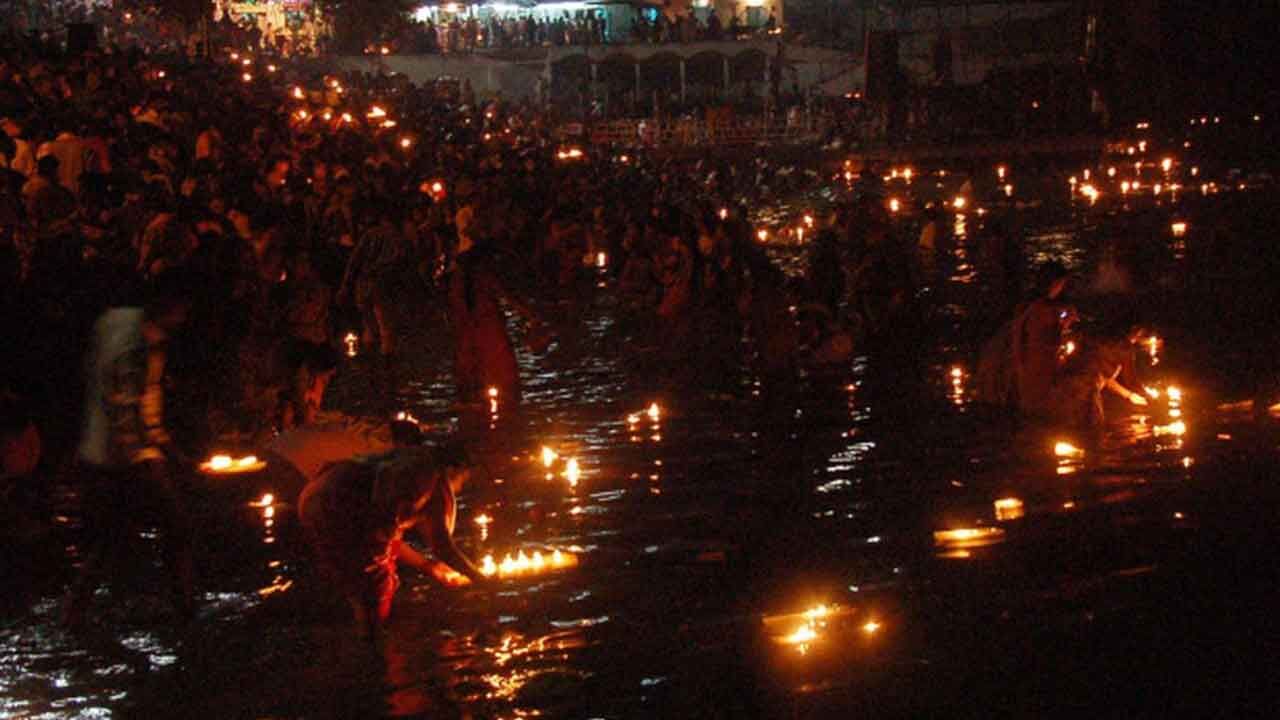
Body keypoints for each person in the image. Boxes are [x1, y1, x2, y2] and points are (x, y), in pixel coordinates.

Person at [65, 270, 196, 626]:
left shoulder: (114, 323)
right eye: (182, 310)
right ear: (169, 305)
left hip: (100, 449)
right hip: (128, 455)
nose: (183, 319)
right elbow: (128, 406)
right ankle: (184, 606)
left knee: (111, 534)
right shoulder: (140, 343)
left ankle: (75, 610)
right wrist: (154, 452)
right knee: (178, 525)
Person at [298, 443, 487, 647]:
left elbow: (390, 540)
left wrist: (429, 566)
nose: (460, 488)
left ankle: (363, 641)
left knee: (363, 582)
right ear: (453, 470)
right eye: (463, 480)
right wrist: (482, 580)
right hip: (338, 503)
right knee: (376, 585)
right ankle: (372, 653)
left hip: (314, 499)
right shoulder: (432, 478)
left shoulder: (401, 468)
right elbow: (442, 546)